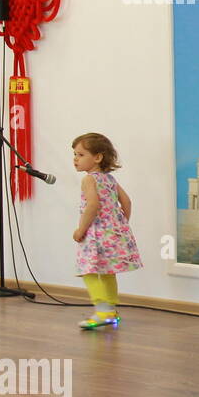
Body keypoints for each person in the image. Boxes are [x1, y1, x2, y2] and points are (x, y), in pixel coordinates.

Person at [72, 133, 142, 330]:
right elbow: (126, 202)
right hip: (112, 233)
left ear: (97, 157)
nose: (75, 159)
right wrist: (121, 225)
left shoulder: (89, 180)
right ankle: (110, 311)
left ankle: (102, 311)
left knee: (89, 271)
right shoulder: (109, 179)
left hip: (95, 235)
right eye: (75, 154)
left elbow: (92, 206)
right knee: (108, 272)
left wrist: (81, 229)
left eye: (80, 154)